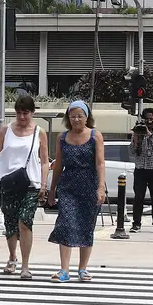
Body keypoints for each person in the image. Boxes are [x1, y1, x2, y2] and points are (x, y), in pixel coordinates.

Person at [0, 94, 49, 280]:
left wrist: (43, 184)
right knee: (10, 222)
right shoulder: (6, 130)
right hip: (9, 182)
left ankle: (25, 265)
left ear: (32, 113)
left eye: (26, 113)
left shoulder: (39, 132)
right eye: (19, 113)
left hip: (31, 183)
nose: (22, 117)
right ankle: (12, 257)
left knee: (25, 221)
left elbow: (44, 161)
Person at [47, 100, 106, 282]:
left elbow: (100, 163)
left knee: (86, 226)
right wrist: (52, 189)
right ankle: (64, 270)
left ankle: (83, 268)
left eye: (80, 116)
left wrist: (101, 186)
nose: (76, 119)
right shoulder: (62, 137)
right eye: (72, 116)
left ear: (87, 117)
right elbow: (58, 165)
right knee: (65, 224)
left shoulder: (95, 136)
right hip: (68, 186)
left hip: (89, 185)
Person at [129, 108, 153, 233]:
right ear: (143, 119)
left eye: (152, 119)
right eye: (147, 119)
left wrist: (150, 134)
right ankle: (136, 224)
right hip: (140, 168)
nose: (149, 121)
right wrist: (135, 139)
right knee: (138, 197)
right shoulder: (138, 131)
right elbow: (131, 152)